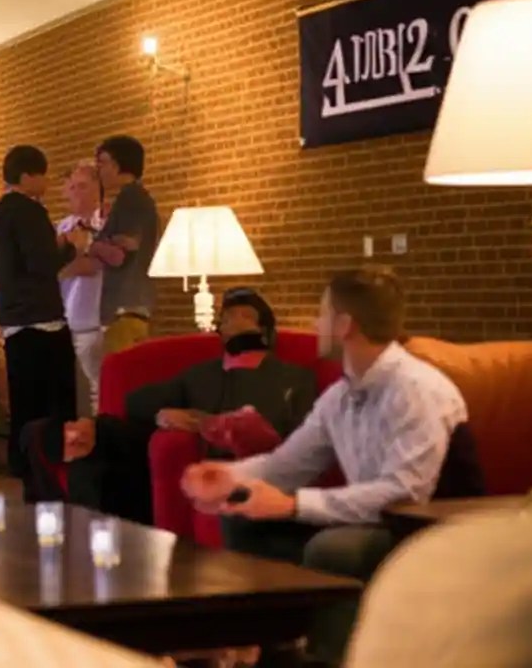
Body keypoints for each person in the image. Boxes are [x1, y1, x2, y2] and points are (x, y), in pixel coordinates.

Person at [182, 266, 476, 666]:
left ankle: (335, 660)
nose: (316, 324)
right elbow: (288, 464)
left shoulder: (417, 390)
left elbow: (405, 495)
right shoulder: (340, 395)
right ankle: (277, 653)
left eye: (323, 314)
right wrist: (228, 477)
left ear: (345, 325)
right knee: (241, 515)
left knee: (334, 547)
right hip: (370, 518)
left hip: (426, 528)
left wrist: (293, 505)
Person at [24, 287, 316, 525]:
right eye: (228, 319)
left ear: (265, 332)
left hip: (267, 470)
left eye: (245, 318)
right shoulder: (201, 375)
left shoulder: (293, 377)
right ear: (220, 331)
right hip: (207, 469)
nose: (235, 323)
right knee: (59, 446)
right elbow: (134, 402)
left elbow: (303, 438)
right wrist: (164, 414)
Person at [0, 145, 83, 492]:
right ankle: (48, 462)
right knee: (53, 399)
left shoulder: (0, 213)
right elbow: (41, 263)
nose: (45, 183)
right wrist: (69, 245)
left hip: (13, 318)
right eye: (42, 175)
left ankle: (22, 460)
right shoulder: (29, 212)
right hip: (41, 318)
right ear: (28, 176)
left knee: (23, 398)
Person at [89, 135, 158, 356]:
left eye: (103, 163)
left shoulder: (131, 198)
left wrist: (90, 244)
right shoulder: (132, 198)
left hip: (125, 310)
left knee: (122, 382)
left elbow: (120, 254)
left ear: (119, 165)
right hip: (129, 310)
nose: (99, 170)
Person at [55, 161, 105, 416]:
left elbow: (93, 265)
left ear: (98, 187)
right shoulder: (62, 227)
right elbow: (50, 269)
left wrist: (69, 263)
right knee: (69, 392)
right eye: (72, 187)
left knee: (99, 388)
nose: (77, 193)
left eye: (83, 186)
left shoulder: (106, 223)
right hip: (67, 319)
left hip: (96, 319)